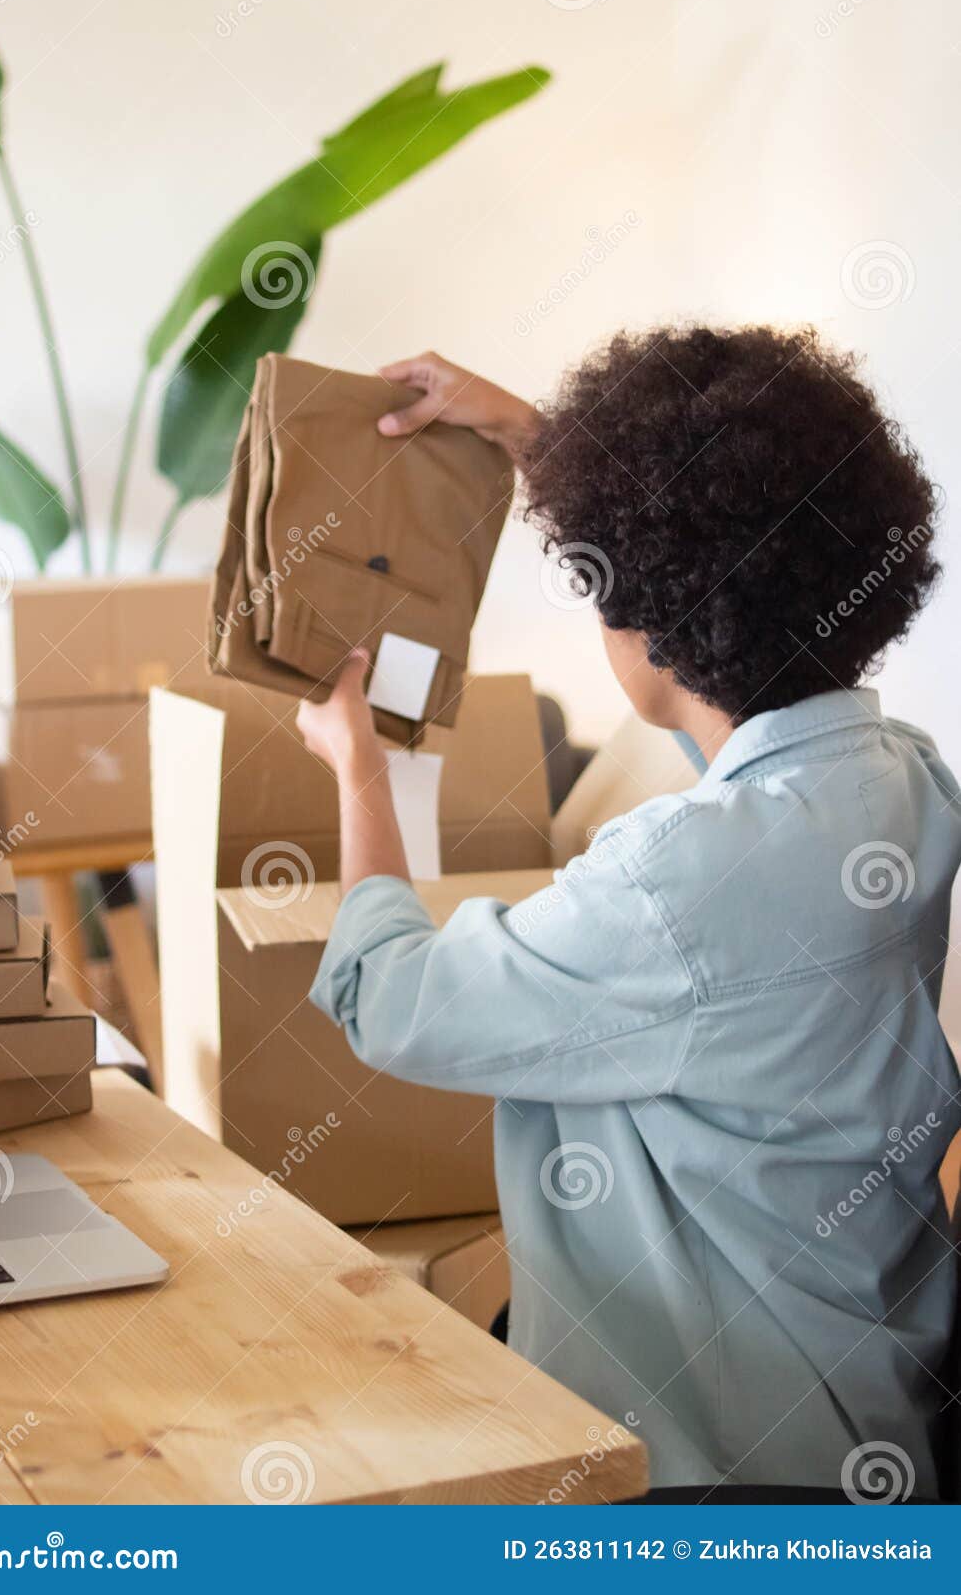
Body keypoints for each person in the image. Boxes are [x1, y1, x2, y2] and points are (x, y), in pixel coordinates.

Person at [295, 327, 960, 1497]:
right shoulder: (904, 775)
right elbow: (739, 534)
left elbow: (385, 999)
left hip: (718, 1481)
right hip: (866, 1402)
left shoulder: (669, 881)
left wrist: (360, 771)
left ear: (648, 626)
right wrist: (535, 437)